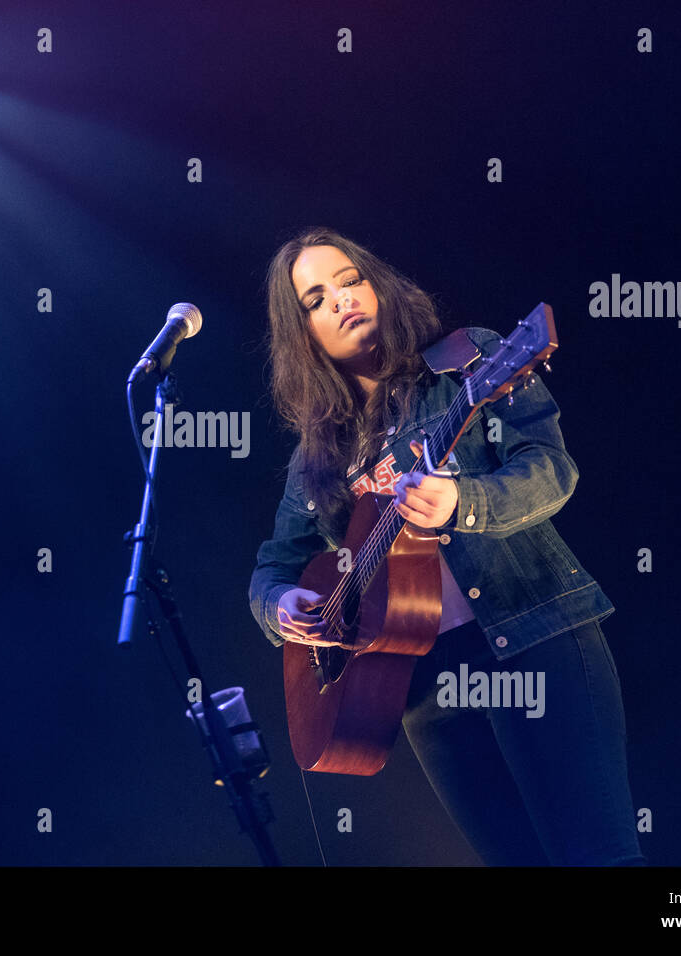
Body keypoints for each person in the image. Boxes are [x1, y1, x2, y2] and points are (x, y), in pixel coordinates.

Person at [248, 227, 646, 866]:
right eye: (316, 298)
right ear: (302, 334)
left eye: (350, 279)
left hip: (534, 632)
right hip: (424, 682)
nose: (343, 299)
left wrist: (465, 502)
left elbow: (550, 466)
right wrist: (284, 607)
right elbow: (273, 566)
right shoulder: (317, 457)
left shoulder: (467, 363)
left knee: (598, 857)